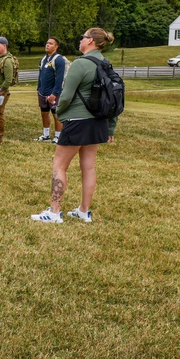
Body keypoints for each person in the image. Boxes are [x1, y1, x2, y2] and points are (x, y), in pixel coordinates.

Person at [31, 27, 118, 224]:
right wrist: (111, 126)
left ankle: (54, 212)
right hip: (99, 121)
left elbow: (67, 95)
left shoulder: (81, 64)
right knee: (88, 167)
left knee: (59, 165)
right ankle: (84, 211)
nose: (80, 40)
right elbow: (115, 95)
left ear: (90, 41)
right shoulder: (106, 63)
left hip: (77, 120)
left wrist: (59, 113)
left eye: (83, 37)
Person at [37, 37, 66, 143]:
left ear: (56, 46)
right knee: (44, 113)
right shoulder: (43, 59)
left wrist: (55, 93)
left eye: (50, 43)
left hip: (53, 93)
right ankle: (46, 135)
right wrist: (38, 89)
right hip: (42, 92)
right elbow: (40, 76)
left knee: (56, 114)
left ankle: (58, 136)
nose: (47, 45)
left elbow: (60, 78)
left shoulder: (59, 60)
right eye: (47, 43)